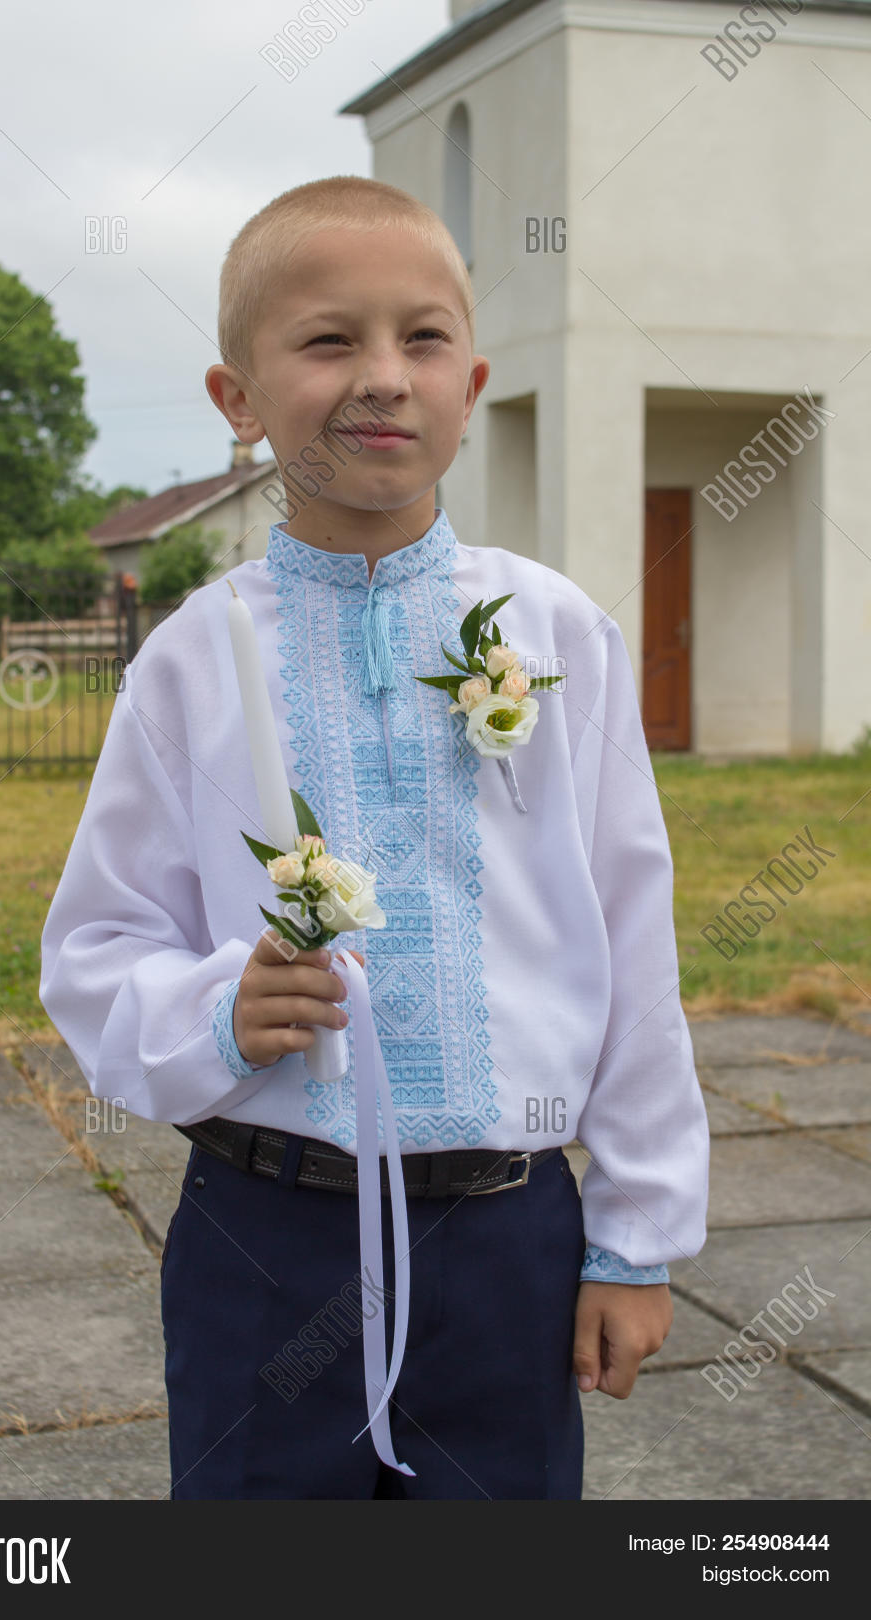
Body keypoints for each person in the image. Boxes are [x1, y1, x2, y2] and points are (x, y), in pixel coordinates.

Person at [39, 175, 709, 1500]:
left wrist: (634, 1240)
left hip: (509, 1241)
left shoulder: (552, 633)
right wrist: (216, 1008)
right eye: (329, 340)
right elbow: (96, 947)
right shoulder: (190, 663)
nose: (383, 378)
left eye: (422, 340)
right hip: (266, 1239)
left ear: (471, 380)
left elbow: (632, 937)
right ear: (239, 399)